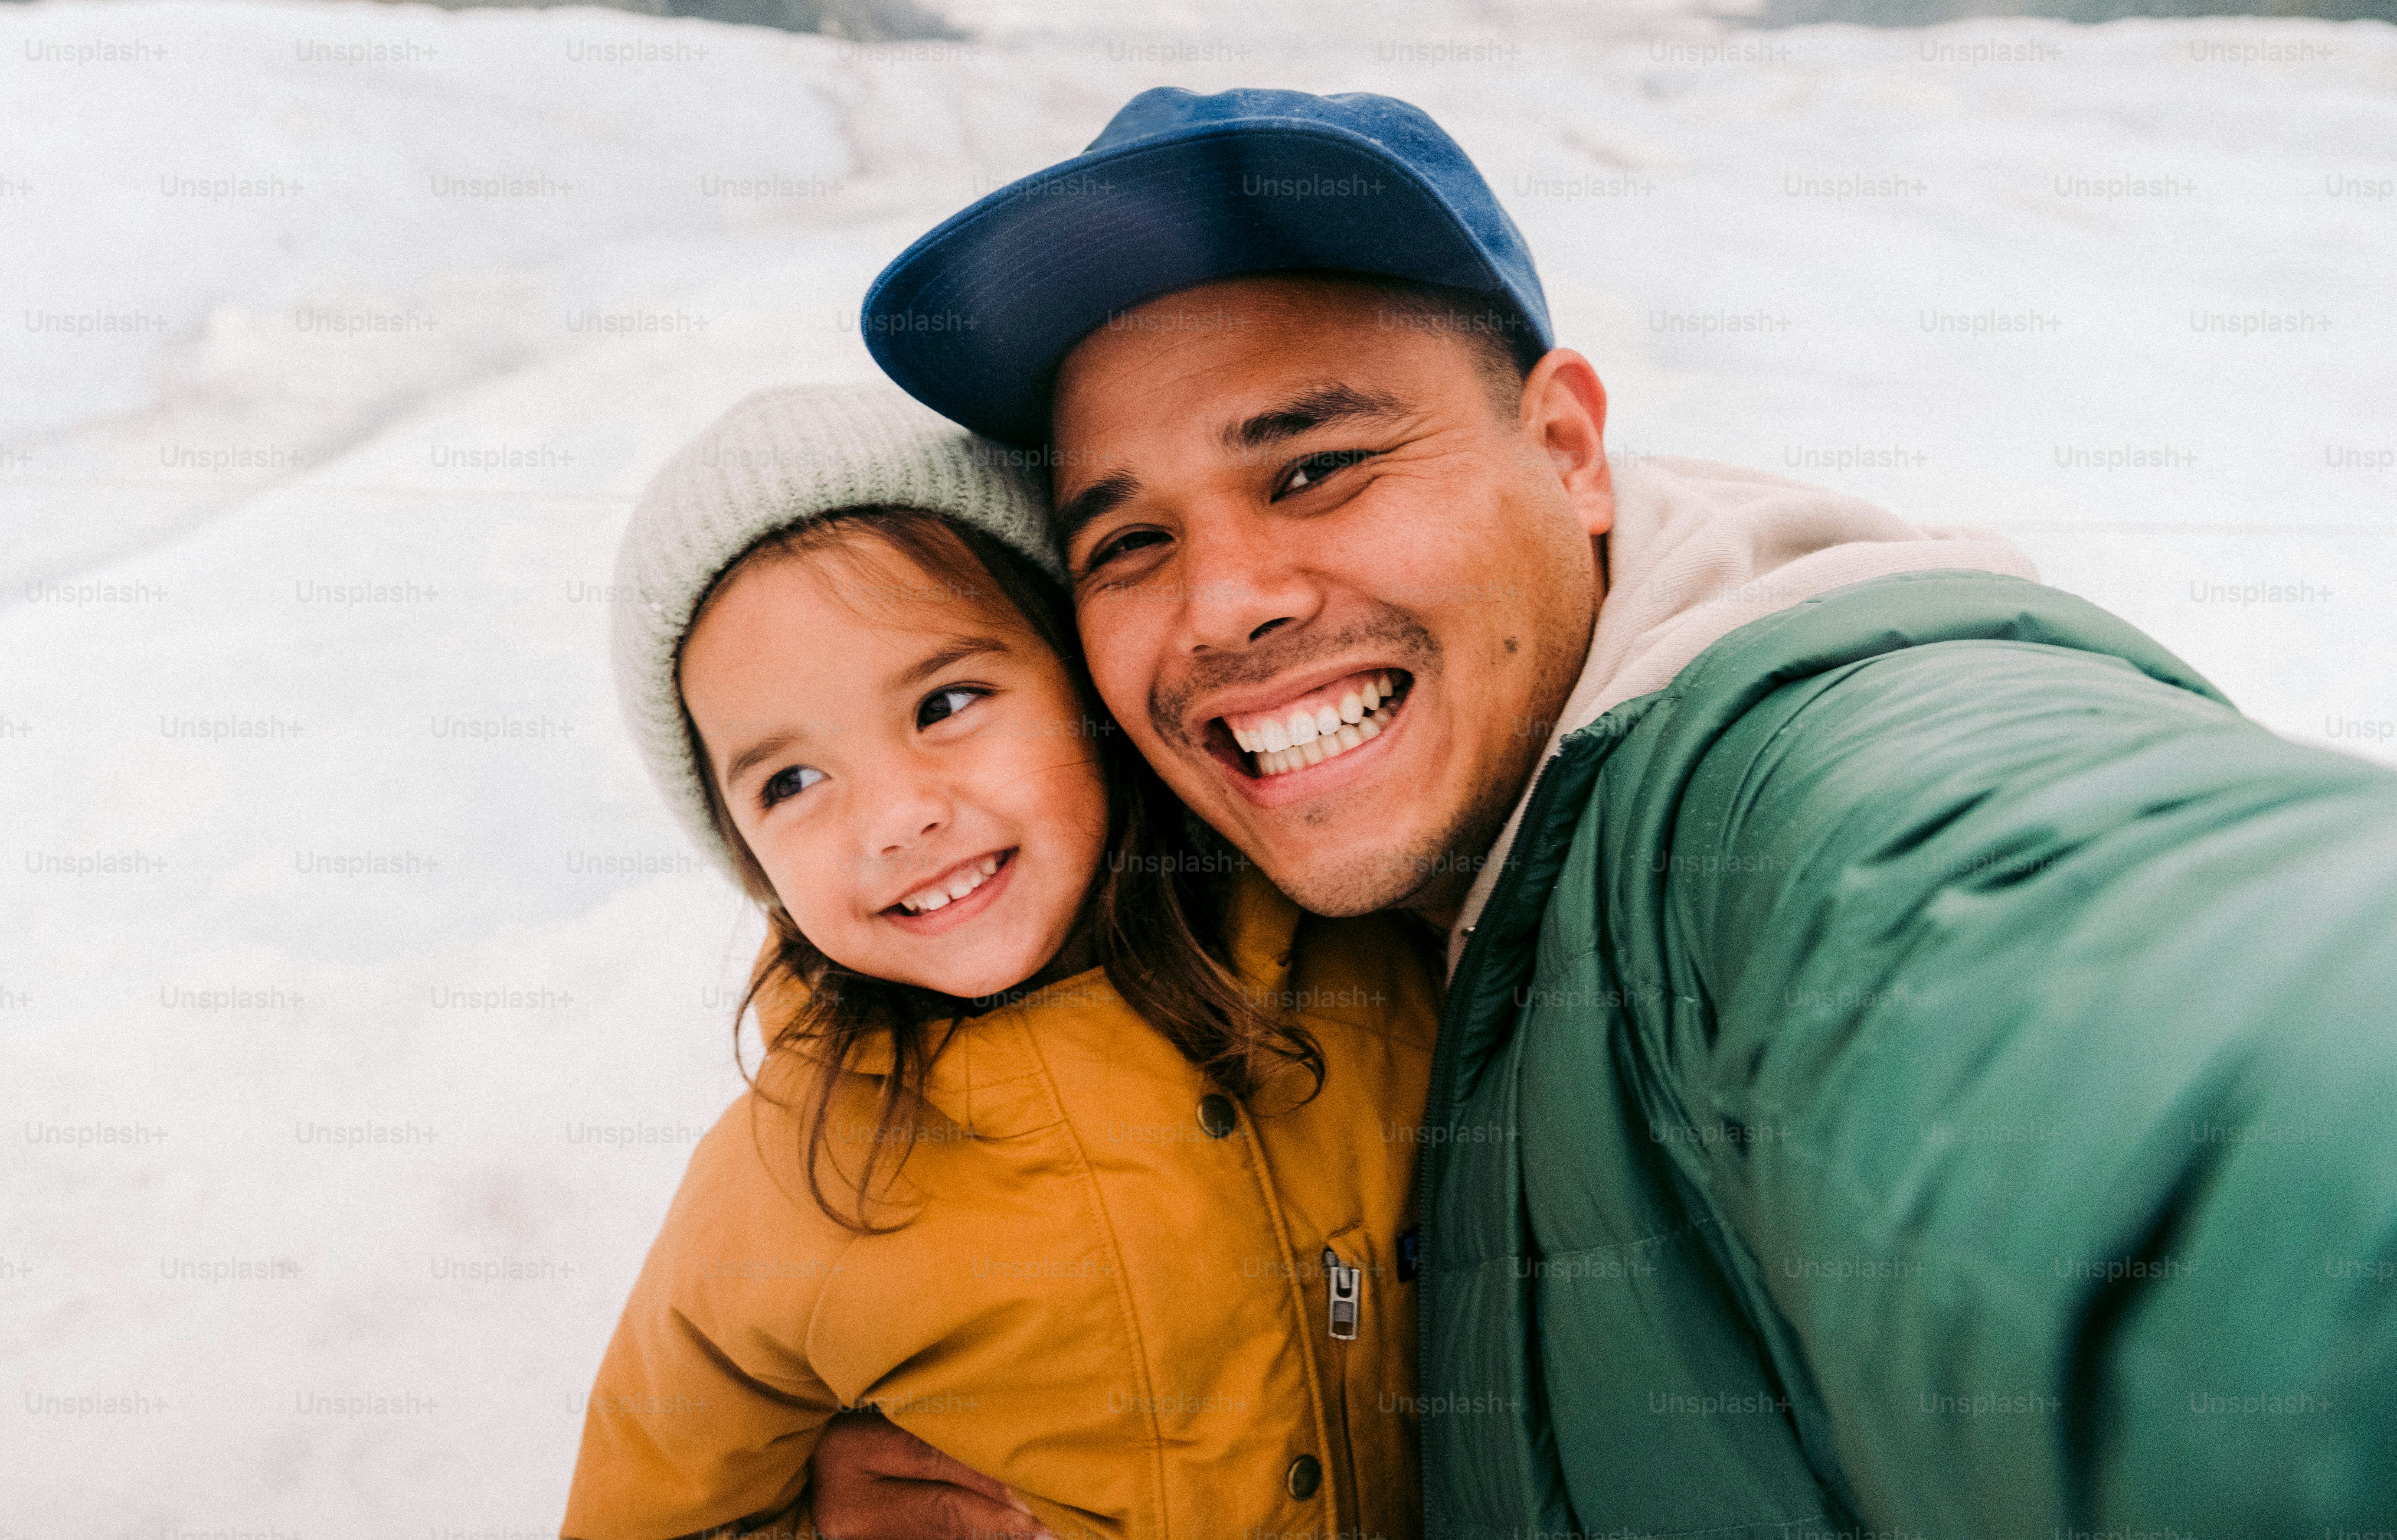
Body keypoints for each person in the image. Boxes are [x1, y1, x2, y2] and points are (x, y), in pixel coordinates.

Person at [808, 87, 2397, 1537]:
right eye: (1129, 544)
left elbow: (2142, 994)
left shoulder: (1785, 801)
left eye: (1315, 470)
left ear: (1566, 448)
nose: (1225, 605)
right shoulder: (1295, 918)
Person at [562, 382, 1442, 1539]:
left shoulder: (1359, 948)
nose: (893, 818)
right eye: (792, 781)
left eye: (948, 702)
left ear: (1086, 684)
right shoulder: (788, 1191)